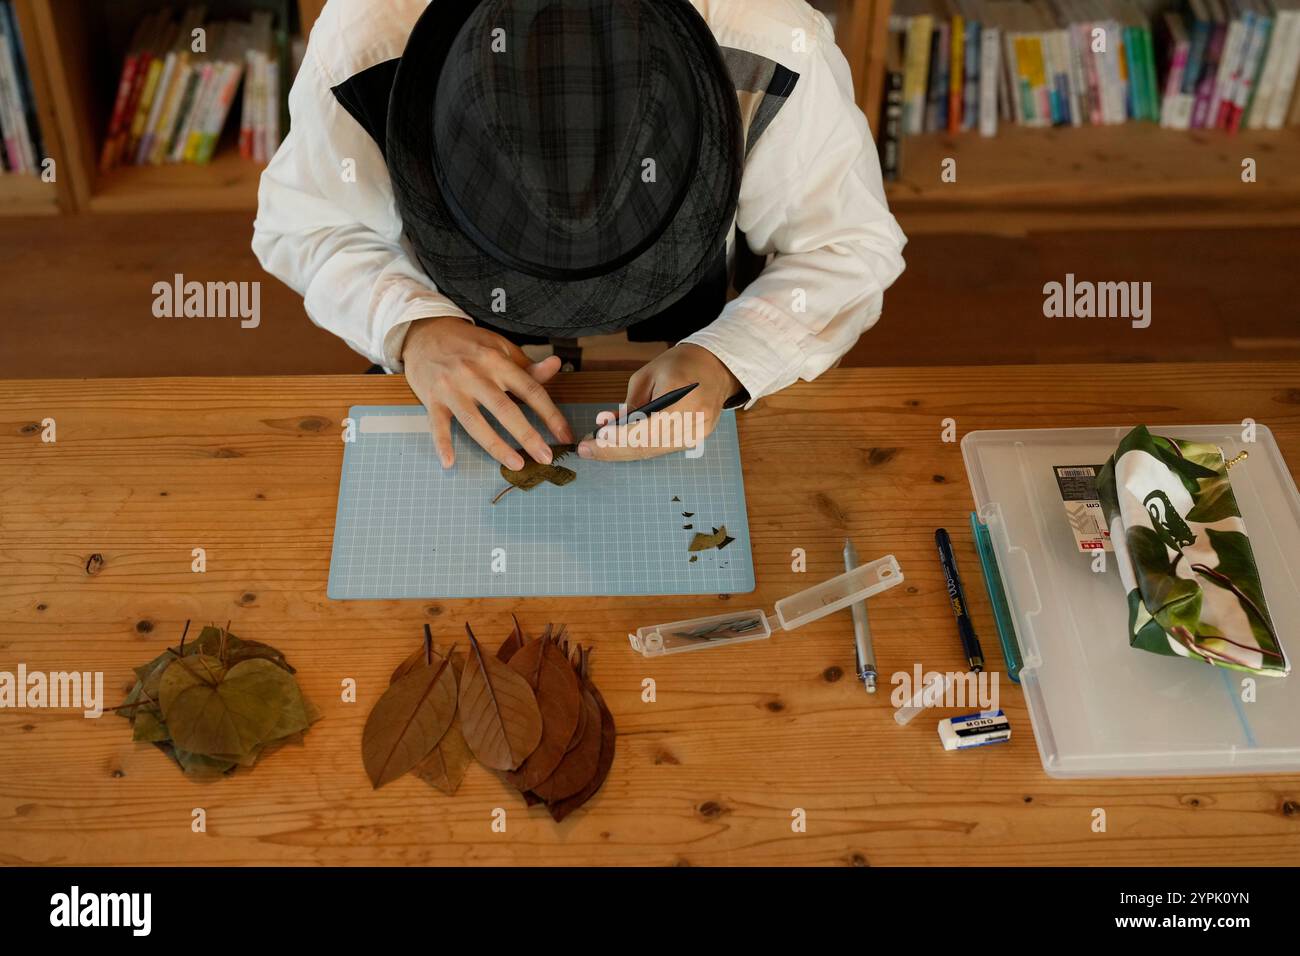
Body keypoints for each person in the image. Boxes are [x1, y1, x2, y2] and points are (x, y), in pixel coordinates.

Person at [253, 0, 905, 470]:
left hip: (691, 342)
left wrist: (728, 357)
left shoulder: (772, 45)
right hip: (449, 359)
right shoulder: (367, 38)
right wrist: (415, 329)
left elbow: (845, 246)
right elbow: (308, 224)